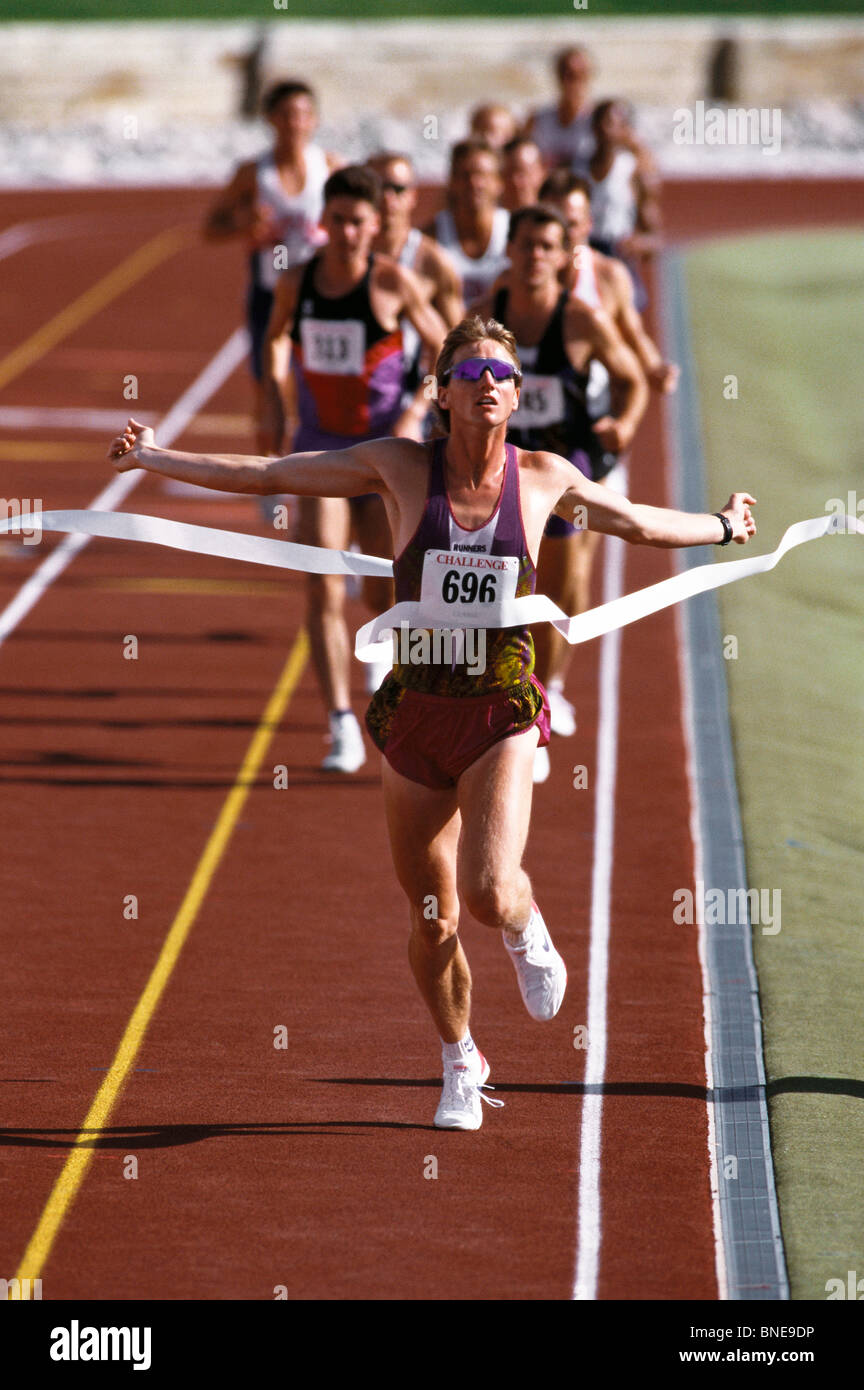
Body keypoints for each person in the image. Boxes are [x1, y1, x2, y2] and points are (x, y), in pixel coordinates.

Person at [108, 317, 757, 1131]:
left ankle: (525, 926)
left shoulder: (546, 477)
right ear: (441, 392)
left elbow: (639, 523)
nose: (488, 382)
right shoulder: (398, 466)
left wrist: (725, 526)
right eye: (470, 371)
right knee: (433, 916)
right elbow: (276, 470)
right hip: (416, 711)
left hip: (499, 710)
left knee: (486, 892)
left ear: (517, 396)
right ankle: (460, 1060)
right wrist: (157, 455)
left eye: (502, 373)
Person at [257, 165, 446, 772]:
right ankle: (339, 721)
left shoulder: (394, 283)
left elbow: (449, 356)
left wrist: (418, 409)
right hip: (321, 451)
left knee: (382, 588)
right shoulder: (298, 280)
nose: (344, 232)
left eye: (356, 222)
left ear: (376, 224)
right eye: (334, 220)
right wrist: (275, 389)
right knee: (320, 578)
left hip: (384, 457)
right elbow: (276, 337)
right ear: (323, 220)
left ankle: (382, 658)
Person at [473, 205, 648, 781]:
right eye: (525, 245)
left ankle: (541, 700)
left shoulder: (579, 321)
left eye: (547, 246)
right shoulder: (486, 321)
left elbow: (632, 378)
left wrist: (622, 424)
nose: (534, 257)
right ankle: (502, 693)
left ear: (562, 254)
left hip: (564, 466)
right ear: (512, 249)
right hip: (502, 460)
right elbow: (445, 373)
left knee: (560, 588)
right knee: (498, 583)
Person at [202, 79, 343, 451]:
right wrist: (243, 224)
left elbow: (358, 217)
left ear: (313, 120)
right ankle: (267, 475)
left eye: (303, 114)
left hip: (322, 294)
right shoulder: (253, 173)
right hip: (270, 293)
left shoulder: (328, 166)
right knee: (269, 386)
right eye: (286, 115)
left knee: (323, 385)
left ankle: (322, 468)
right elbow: (210, 228)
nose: (295, 123)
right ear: (270, 119)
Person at [365, 151, 464, 418]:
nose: (387, 198)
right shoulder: (345, 254)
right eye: (378, 187)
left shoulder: (433, 263)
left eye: (397, 189)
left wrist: (420, 409)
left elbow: (456, 347)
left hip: (407, 404)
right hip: (350, 401)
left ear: (412, 196)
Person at [427, 140, 511, 306]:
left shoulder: (515, 231)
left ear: (498, 183)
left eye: (482, 175)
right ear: (451, 182)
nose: (474, 183)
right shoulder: (431, 236)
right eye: (465, 175)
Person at [525, 46, 596, 172]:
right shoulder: (537, 119)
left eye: (581, 74)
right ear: (558, 76)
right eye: (568, 74)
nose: (574, 82)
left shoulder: (600, 121)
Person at [501, 136, 547, 213]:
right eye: (509, 174)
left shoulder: (554, 222)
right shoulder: (492, 221)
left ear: (541, 173)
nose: (516, 182)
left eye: (523, 173)